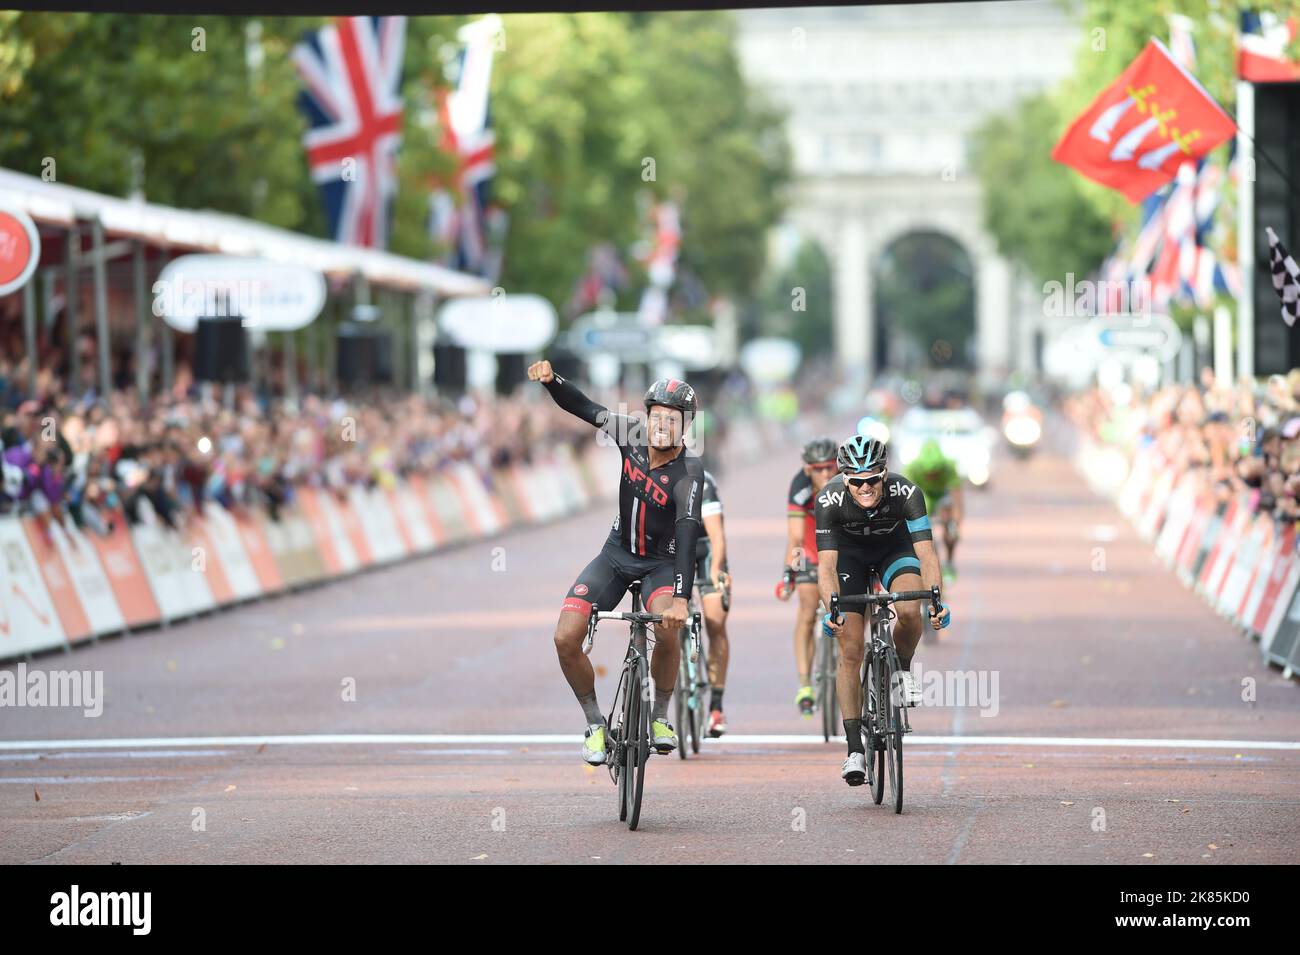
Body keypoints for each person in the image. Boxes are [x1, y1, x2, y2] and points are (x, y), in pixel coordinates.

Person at [528, 361, 705, 765]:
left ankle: (660, 717)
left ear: (685, 426)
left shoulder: (690, 472)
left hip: (662, 563)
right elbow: (584, 407)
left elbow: (689, 531)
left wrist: (681, 598)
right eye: (656, 416)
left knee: (668, 626)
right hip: (616, 555)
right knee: (565, 637)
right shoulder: (632, 433)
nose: (661, 425)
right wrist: (552, 381)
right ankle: (594, 725)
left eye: (671, 419)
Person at [815, 434, 952, 786]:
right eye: (857, 481)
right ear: (844, 478)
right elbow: (827, 567)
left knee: (909, 608)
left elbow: (927, 554)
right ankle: (854, 749)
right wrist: (830, 607)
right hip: (849, 556)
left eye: (873, 478)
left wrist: (937, 598)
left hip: (895, 548)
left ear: (885, 474)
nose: (865, 487)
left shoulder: (907, 494)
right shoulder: (829, 500)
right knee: (850, 649)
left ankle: (901, 672)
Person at [777, 436, 839, 716]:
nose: (825, 474)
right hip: (812, 549)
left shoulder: (847, 483)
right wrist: (790, 573)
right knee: (806, 607)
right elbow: (796, 537)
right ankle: (805, 684)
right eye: (818, 469)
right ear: (807, 470)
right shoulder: (800, 488)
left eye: (830, 467)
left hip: (841, 548)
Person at [695, 468, 731, 736]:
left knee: (715, 622)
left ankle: (716, 707)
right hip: (672, 551)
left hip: (705, 548)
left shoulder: (702, 481)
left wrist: (717, 569)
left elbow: (717, 535)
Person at [902, 438, 964, 582]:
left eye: (936, 472)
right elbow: (904, 502)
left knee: (949, 519)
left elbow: (957, 501)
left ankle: (949, 561)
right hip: (923, 496)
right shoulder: (911, 469)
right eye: (928, 473)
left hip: (941, 498)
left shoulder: (949, 467)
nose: (932, 476)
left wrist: (954, 525)